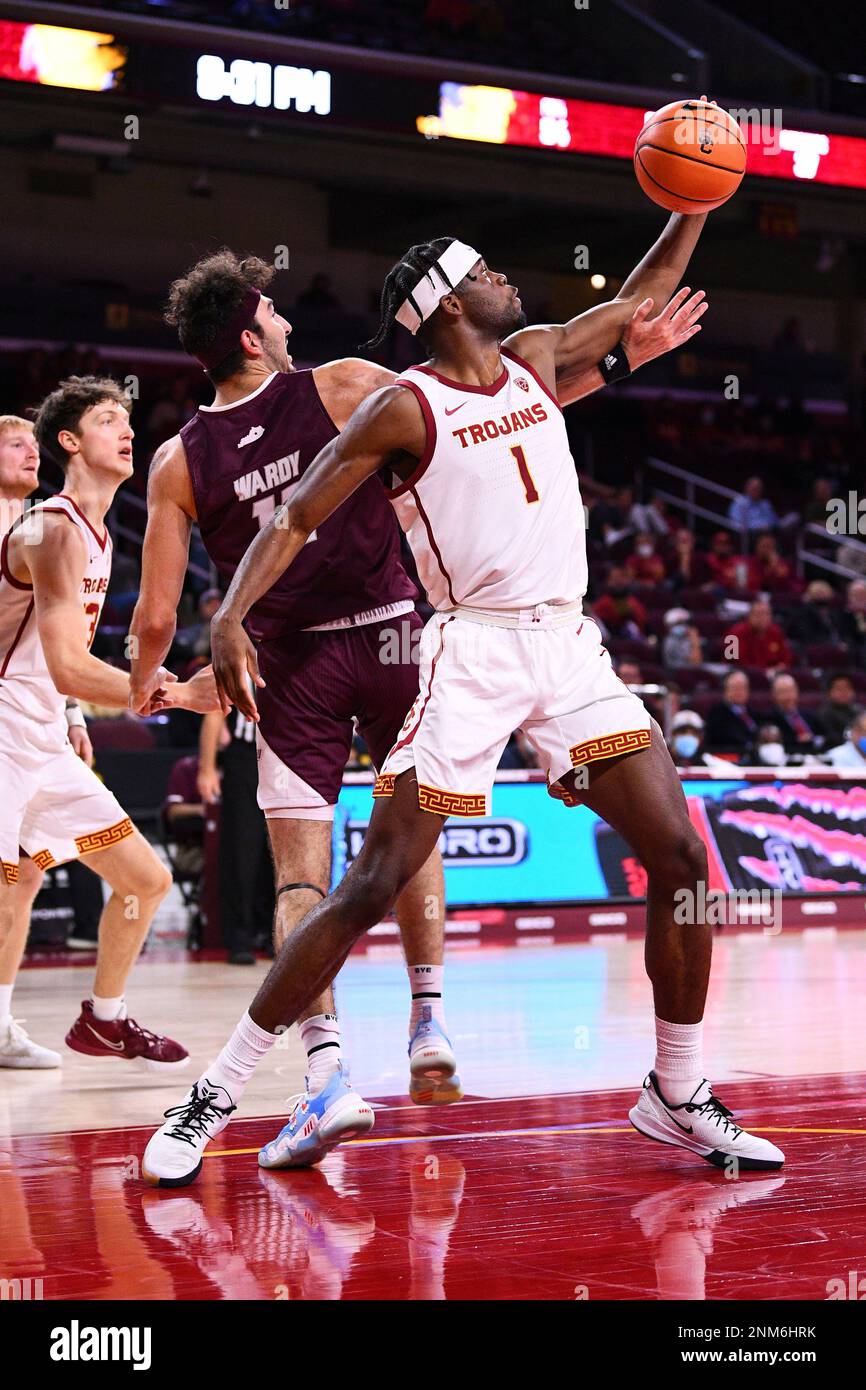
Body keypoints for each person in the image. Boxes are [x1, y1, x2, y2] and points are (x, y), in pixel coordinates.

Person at [143, 225, 782, 1185]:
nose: (504, 278)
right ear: (447, 304)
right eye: (483, 272)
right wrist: (229, 617)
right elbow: (298, 514)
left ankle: (677, 1092)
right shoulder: (404, 407)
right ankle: (214, 1096)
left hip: (566, 645)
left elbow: (637, 301)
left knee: (684, 853)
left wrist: (693, 208)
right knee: (370, 883)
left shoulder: (532, 358)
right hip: (471, 648)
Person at [0, 378, 221, 1072]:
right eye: (106, 421)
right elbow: (68, 666)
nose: (127, 432)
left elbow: (61, 671)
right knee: (8, 885)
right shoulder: (50, 530)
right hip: (3, 725)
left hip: (40, 728)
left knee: (145, 879)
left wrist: (73, 712)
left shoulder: (95, 537)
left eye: (129, 421)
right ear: (69, 442)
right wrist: (180, 693)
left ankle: (103, 1017)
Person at [198, 703, 275, 964]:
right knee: (242, 849)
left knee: (278, 850)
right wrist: (206, 768)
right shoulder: (236, 661)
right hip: (243, 757)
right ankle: (240, 936)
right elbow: (213, 712)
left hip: (285, 757)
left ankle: (274, 932)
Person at [725, 599, 793, 673]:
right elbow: (733, 662)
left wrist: (780, 667)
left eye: (767, 614)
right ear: (749, 616)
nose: (763, 618)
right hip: (743, 675)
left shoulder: (776, 632)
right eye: (758, 614)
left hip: (772, 676)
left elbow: (786, 658)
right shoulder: (734, 633)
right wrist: (762, 672)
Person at [704, 670, 761, 757]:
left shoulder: (753, 712)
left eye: (743, 687)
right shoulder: (717, 713)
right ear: (726, 690)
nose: (740, 692)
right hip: (728, 759)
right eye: (735, 688)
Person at [769, 673, 823, 754]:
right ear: (774, 695)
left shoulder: (809, 715)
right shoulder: (769, 718)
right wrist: (798, 740)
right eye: (783, 692)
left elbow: (827, 736)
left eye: (791, 690)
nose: (789, 696)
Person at [667, 711, 731, 770]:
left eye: (694, 733)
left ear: (700, 737)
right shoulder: (661, 759)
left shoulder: (707, 762)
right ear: (673, 735)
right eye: (682, 732)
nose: (688, 736)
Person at [818, 673, 863, 749]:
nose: (844, 692)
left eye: (847, 688)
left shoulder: (859, 711)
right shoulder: (824, 715)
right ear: (829, 692)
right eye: (839, 689)